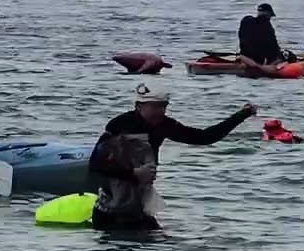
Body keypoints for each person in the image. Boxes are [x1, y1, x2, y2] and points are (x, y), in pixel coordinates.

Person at [90, 84, 257, 231]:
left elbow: (203, 137)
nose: (160, 112)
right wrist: (133, 174)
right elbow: (96, 164)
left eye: (163, 106)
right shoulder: (119, 126)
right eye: (154, 107)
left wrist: (240, 116)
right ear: (139, 106)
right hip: (110, 212)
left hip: (140, 210)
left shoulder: (164, 125)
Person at [237, 3, 290, 75]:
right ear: (268, 14)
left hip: (245, 56)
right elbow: (272, 45)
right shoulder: (266, 25)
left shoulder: (246, 21)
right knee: (286, 55)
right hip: (259, 60)